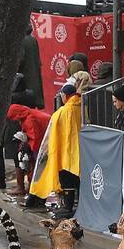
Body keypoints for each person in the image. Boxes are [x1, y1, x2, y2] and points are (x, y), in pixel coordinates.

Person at [30, 83, 83, 216]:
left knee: (67, 181)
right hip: (81, 151)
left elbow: (54, 135)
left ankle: (67, 207)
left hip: (66, 152)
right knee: (78, 181)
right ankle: (77, 207)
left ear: (65, 96)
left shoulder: (63, 112)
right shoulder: (81, 107)